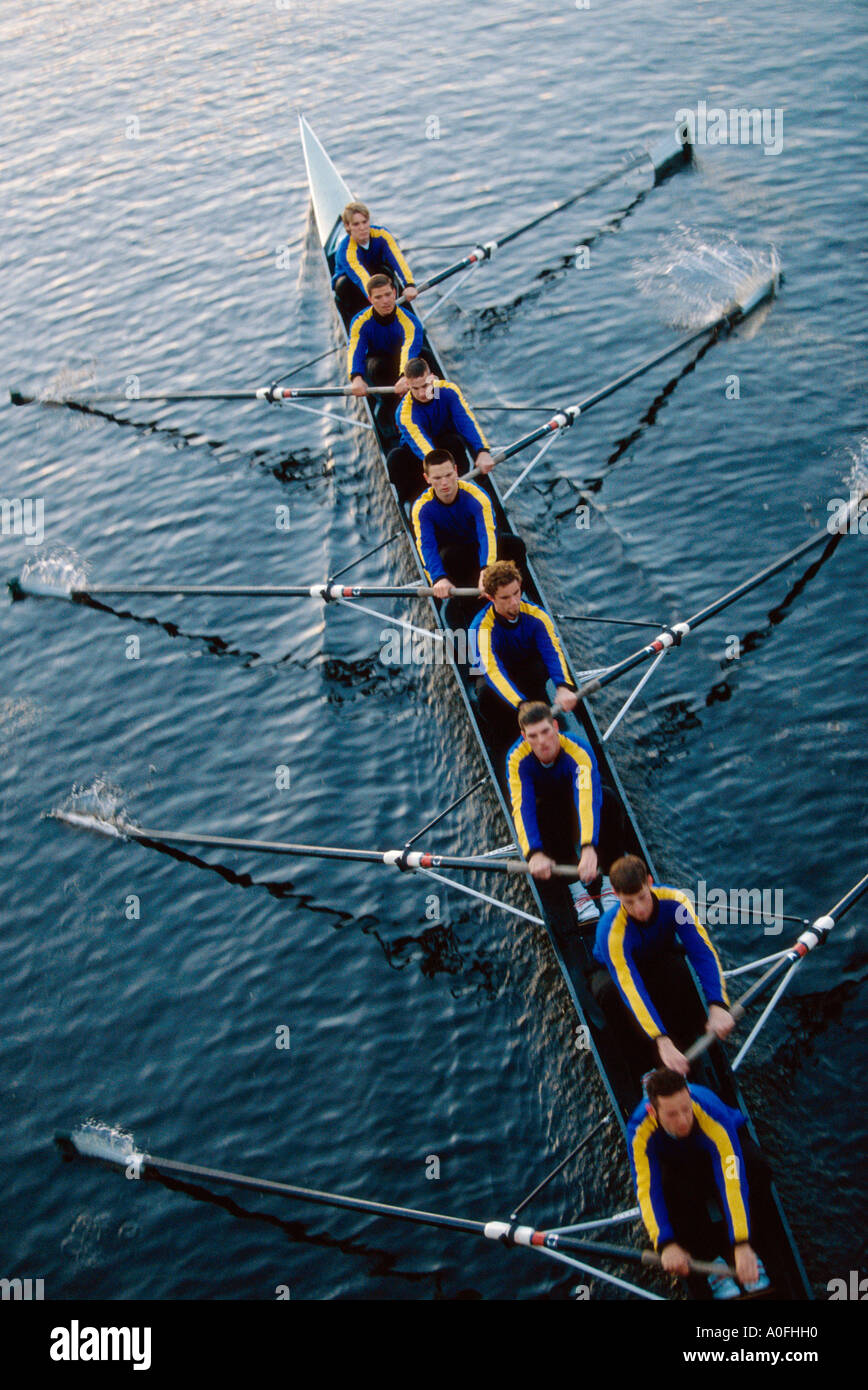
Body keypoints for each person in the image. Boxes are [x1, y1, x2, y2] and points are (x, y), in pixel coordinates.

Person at [628, 1068, 769, 1297]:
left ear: (690, 1097)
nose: (683, 1120)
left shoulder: (709, 1112)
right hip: (679, 1163)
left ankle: (752, 1249)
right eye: (672, 1114)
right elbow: (646, 1190)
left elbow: (732, 1179)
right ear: (652, 1111)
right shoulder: (639, 1130)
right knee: (668, 1190)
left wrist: (741, 1242)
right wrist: (665, 1243)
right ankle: (711, 1260)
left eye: (686, 1109)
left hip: (719, 1148)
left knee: (757, 1166)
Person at [592, 854, 734, 1077]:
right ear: (616, 895)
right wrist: (660, 1038)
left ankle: (684, 1037)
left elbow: (702, 952)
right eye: (629, 902)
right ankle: (641, 1066)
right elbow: (630, 987)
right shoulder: (609, 931)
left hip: (658, 958)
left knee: (678, 969)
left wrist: (717, 1003)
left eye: (642, 897)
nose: (639, 909)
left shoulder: (676, 902)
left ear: (649, 883)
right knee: (608, 994)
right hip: (617, 974)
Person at [506, 701, 622, 924]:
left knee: (609, 801)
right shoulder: (516, 759)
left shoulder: (578, 750)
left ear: (556, 727)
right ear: (523, 736)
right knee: (542, 815)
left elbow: (588, 798)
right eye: (533, 736)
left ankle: (608, 879)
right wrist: (533, 853)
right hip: (551, 811)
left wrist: (589, 847)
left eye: (545, 732)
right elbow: (523, 809)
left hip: (580, 802)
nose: (541, 742)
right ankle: (577, 890)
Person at [470, 560, 577, 751]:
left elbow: (553, 652)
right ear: (490, 598)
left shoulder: (538, 616)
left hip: (525, 671)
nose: (514, 602)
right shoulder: (479, 629)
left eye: (516, 593)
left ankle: (535, 700)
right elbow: (493, 672)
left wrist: (562, 686)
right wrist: (521, 704)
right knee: (485, 694)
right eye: (505, 598)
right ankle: (502, 736)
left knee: (542, 668)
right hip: (495, 680)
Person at [388, 359, 495, 506]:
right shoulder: (405, 413)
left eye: (425, 386)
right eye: (415, 388)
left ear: (432, 378)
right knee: (395, 459)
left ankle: (460, 484)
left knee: (455, 441)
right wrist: (441, 478)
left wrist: (482, 451)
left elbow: (465, 421)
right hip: (419, 456)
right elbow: (425, 449)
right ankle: (411, 501)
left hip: (445, 445)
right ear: (407, 385)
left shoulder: (443, 392)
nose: (422, 393)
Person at [347, 275, 424, 435]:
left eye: (388, 295)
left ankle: (433, 398)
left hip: (404, 362)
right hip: (379, 367)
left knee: (426, 359)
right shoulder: (359, 321)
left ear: (395, 293)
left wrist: (405, 376)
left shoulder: (410, 321)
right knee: (376, 366)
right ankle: (389, 409)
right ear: (370, 299)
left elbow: (410, 350)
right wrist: (356, 378)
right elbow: (356, 350)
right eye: (378, 297)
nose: (385, 301)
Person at [332, 202, 418, 319]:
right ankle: (353, 319)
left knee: (386, 270)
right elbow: (361, 277)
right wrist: (378, 301)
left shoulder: (382, 234)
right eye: (356, 224)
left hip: (375, 277)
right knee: (343, 284)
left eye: (364, 222)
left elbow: (398, 260)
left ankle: (396, 308)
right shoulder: (346, 251)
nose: (362, 228)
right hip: (353, 286)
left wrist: (409, 284)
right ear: (348, 227)